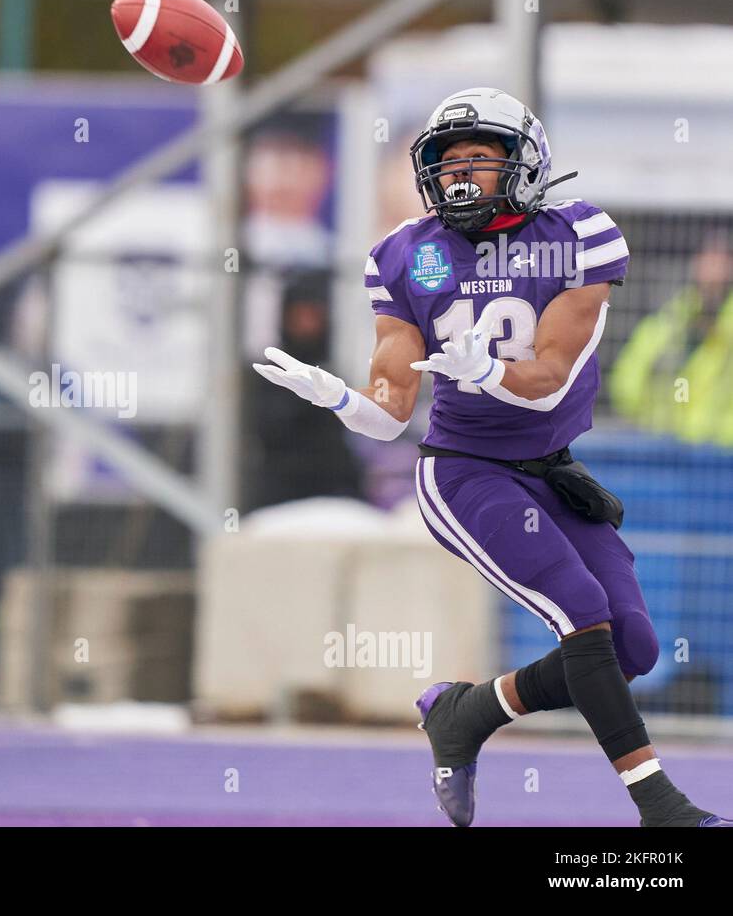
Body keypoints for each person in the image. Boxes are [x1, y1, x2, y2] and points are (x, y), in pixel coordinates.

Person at [254, 87, 730, 828]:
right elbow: (389, 415)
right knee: (584, 617)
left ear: (525, 163)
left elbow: (546, 386)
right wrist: (341, 399)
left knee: (630, 644)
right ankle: (660, 805)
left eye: (479, 158)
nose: (459, 175)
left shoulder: (581, 235)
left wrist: (485, 372)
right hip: (464, 471)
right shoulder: (408, 254)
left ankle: (467, 712)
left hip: (551, 467)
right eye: (446, 162)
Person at [609, 231, 733, 443]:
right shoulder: (668, 322)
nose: (714, 272)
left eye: (721, 263)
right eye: (709, 261)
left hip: (721, 452)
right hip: (666, 445)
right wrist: (649, 419)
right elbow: (626, 382)